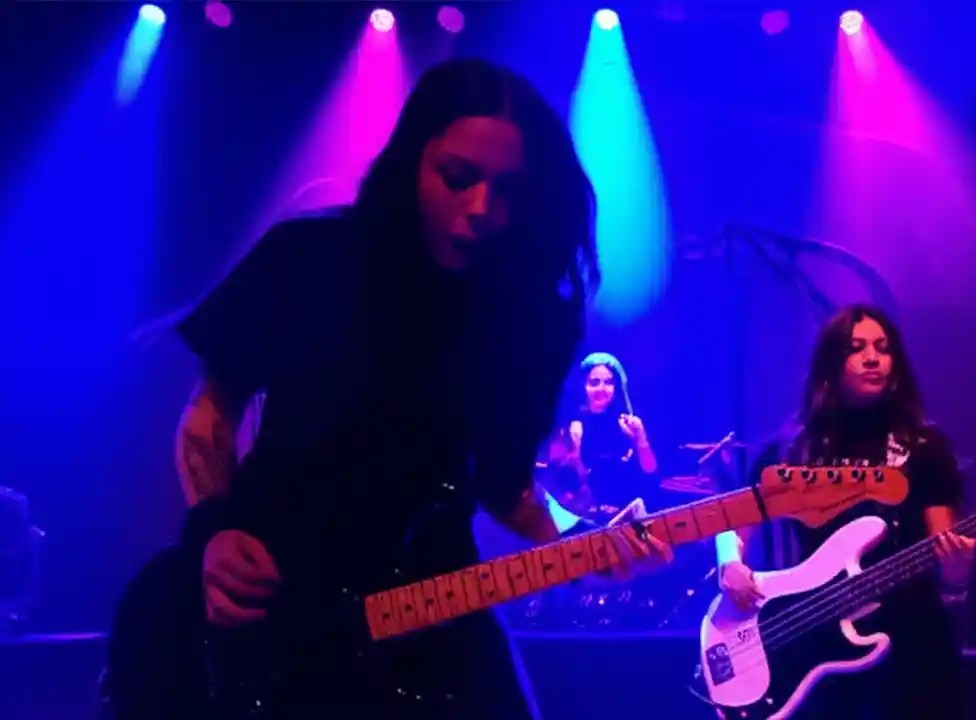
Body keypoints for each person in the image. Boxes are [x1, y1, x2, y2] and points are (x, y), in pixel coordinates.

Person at [111, 58, 672, 719]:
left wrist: (579, 540)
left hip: (430, 600)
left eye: (509, 191)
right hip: (278, 594)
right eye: (458, 178)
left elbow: (505, 483)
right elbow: (210, 415)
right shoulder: (314, 258)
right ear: (413, 159)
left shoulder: (529, 315)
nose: (482, 209)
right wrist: (216, 532)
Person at [712, 303, 976, 720]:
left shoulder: (925, 447)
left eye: (883, 348)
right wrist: (730, 565)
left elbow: (944, 550)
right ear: (831, 364)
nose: (873, 358)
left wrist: (958, 571)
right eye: (857, 348)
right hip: (822, 642)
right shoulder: (793, 450)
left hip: (912, 639)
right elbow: (732, 523)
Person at [542, 351, 659, 520]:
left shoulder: (627, 423)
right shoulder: (570, 427)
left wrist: (641, 440)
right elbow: (558, 481)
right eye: (594, 383)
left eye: (608, 383)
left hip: (628, 512)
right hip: (588, 518)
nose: (601, 389)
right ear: (583, 386)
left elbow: (650, 470)